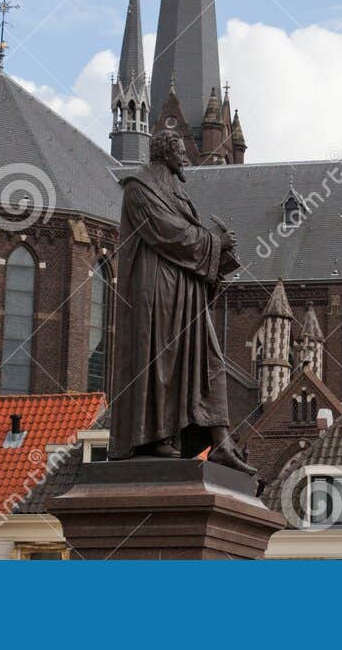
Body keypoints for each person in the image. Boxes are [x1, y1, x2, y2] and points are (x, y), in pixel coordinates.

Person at [107, 129, 254, 474]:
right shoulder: (139, 187)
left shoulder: (176, 190)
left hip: (186, 291)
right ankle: (154, 436)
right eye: (181, 152)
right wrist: (214, 241)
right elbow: (167, 232)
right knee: (161, 362)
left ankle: (220, 443)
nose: (187, 158)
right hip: (157, 292)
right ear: (165, 153)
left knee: (210, 361)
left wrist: (219, 248)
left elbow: (185, 236)